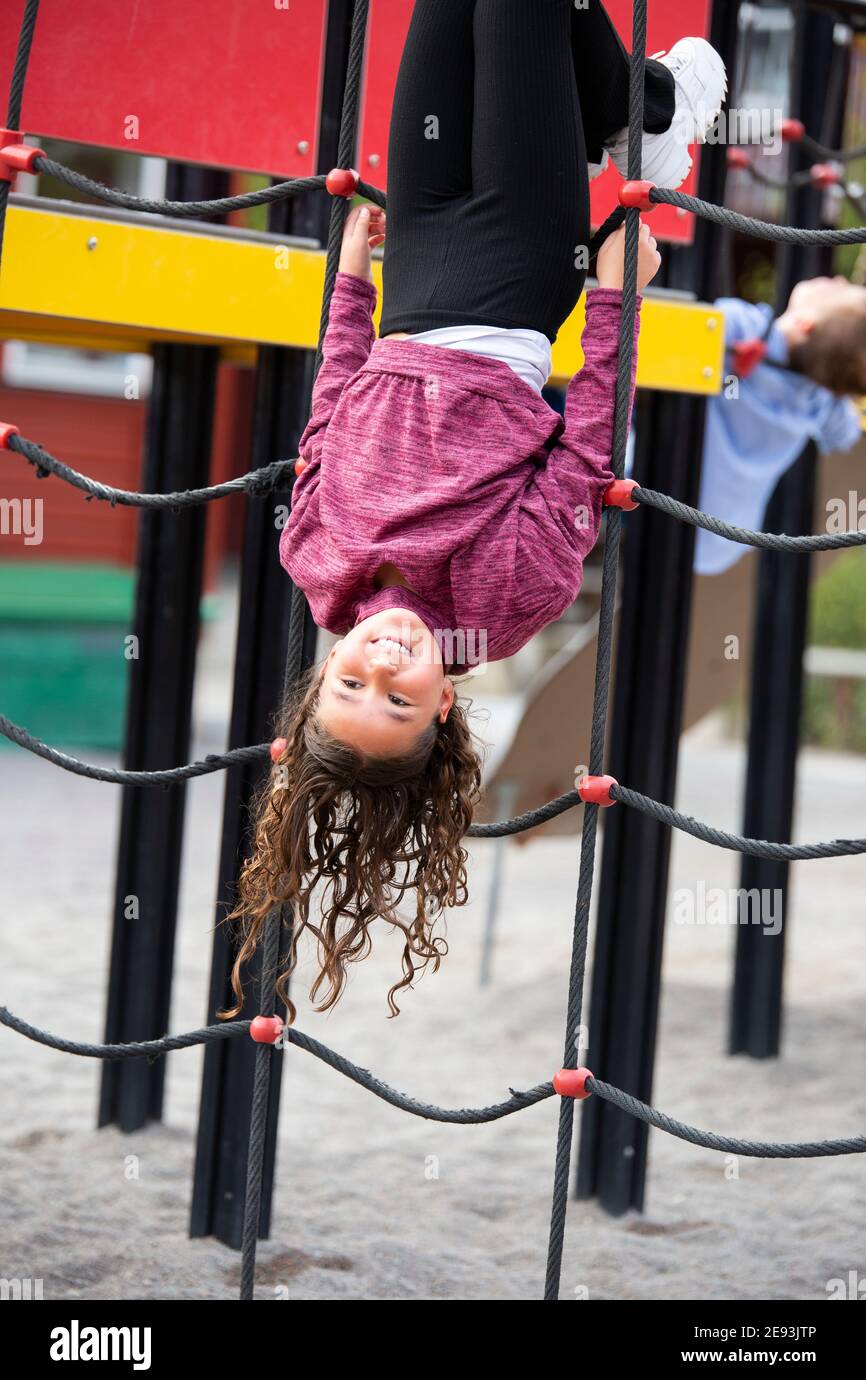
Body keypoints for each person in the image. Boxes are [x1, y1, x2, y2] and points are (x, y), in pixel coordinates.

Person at [223, 2, 727, 1023]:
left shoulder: (313, 561)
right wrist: (618, 304)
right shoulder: (501, 601)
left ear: (322, 671)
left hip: (412, 270)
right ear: (442, 706)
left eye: (352, 681)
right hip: (512, 274)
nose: (385, 663)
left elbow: (329, 416)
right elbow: (585, 452)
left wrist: (350, 291)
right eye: (398, 697)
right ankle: (642, 110)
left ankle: (645, 109)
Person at [693, 275, 866, 575]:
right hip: (719, 543)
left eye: (841, 289)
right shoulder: (820, 401)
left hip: (655, 486)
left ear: (805, 322)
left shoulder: (742, 327)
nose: (838, 278)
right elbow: (845, 434)